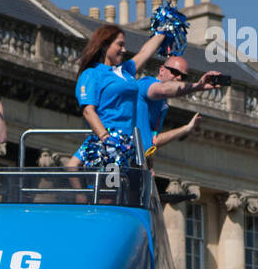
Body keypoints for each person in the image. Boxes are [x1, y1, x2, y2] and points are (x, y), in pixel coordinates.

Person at [66, 24, 220, 170]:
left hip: (129, 146)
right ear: (105, 45)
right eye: (120, 44)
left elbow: (145, 52)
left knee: (129, 194)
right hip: (109, 143)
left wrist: (164, 30)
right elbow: (88, 111)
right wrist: (107, 139)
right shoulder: (92, 74)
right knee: (107, 194)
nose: (124, 49)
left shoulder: (125, 71)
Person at [140, 55, 202, 156]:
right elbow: (163, 89)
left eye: (183, 76)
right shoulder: (147, 83)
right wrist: (198, 86)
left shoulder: (163, 103)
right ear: (162, 70)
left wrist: (187, 128)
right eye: (175, 72)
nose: (179, 78)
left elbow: (154, 140)